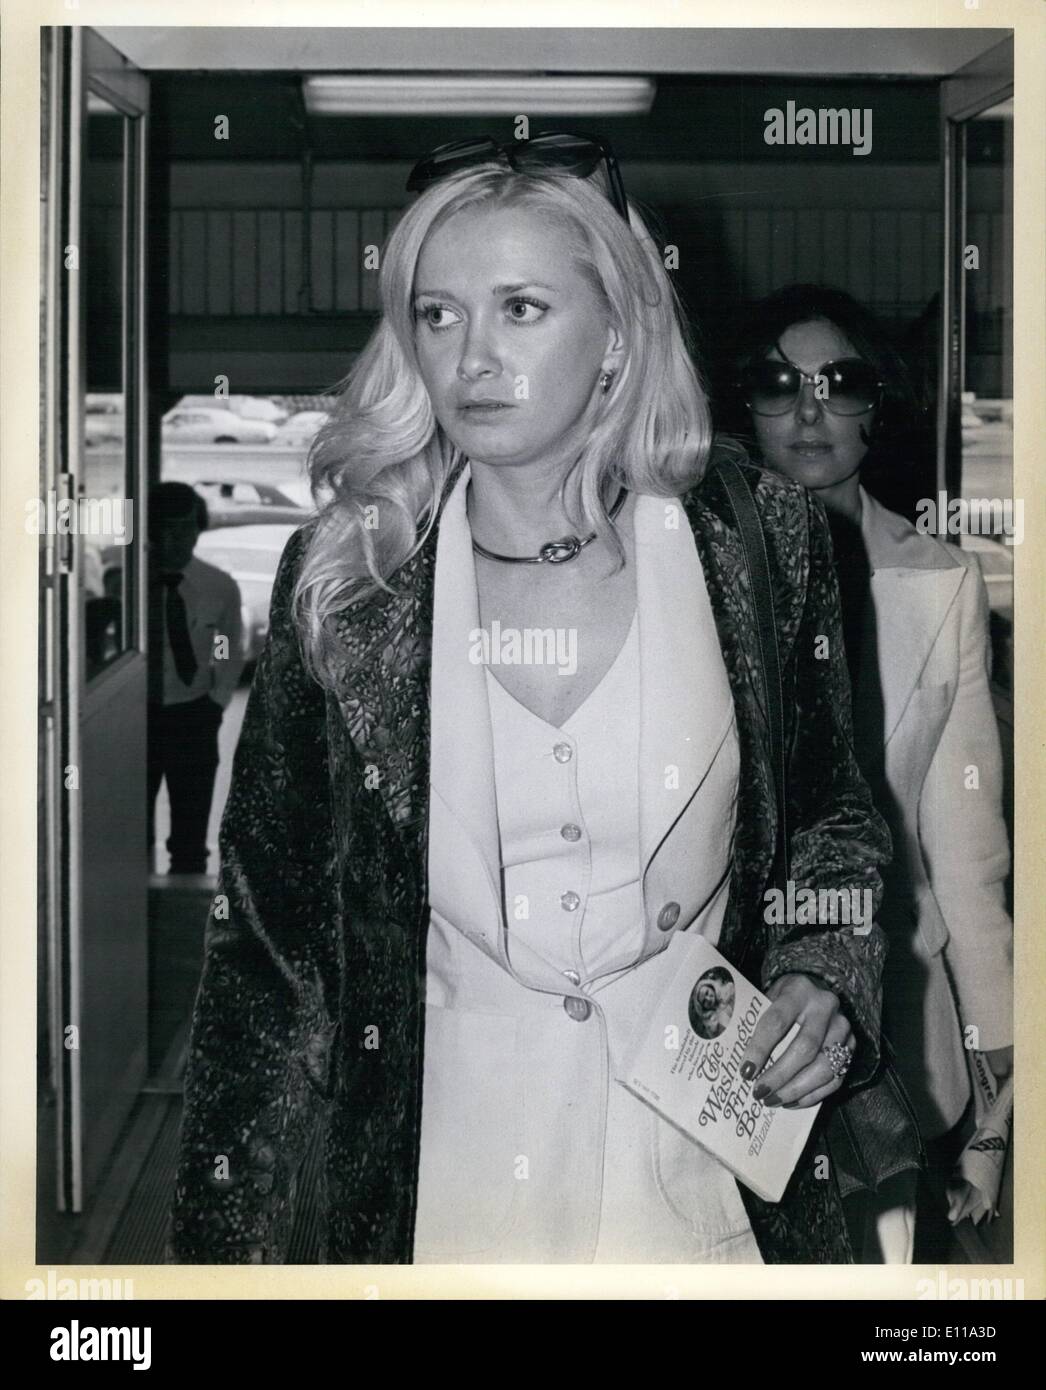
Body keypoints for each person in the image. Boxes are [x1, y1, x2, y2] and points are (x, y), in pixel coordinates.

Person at [169, 136, 892, 1265]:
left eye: (520, 308)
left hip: (700, 1188)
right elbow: (269, 959)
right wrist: (225, 1259)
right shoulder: (349, 580)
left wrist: (819, 969)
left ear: (613, 336)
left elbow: (828, 821)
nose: (471, 358)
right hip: (441, 1192)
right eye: (439, 313)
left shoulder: (756, 541)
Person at [731, 284, 1014, 1262]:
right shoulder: (690, 573)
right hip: (735, 1026)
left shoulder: (939, 578)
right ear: (744, 409)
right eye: (777, 384)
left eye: (836, 383)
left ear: (871, 406)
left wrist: (998, 1055)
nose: (808, 412)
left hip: (895, 1020)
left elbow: (966, 853)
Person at [147, 482, 244, 877]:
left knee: (190, 832)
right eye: (165, 527)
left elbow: (225, 648)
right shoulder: (127, 581)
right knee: (130, 824)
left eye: (185, 526)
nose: (175, 538)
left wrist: (215, 701)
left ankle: (186, 917)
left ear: (198, 528)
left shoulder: (216, 588)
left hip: (193, 717)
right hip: (137, 716)